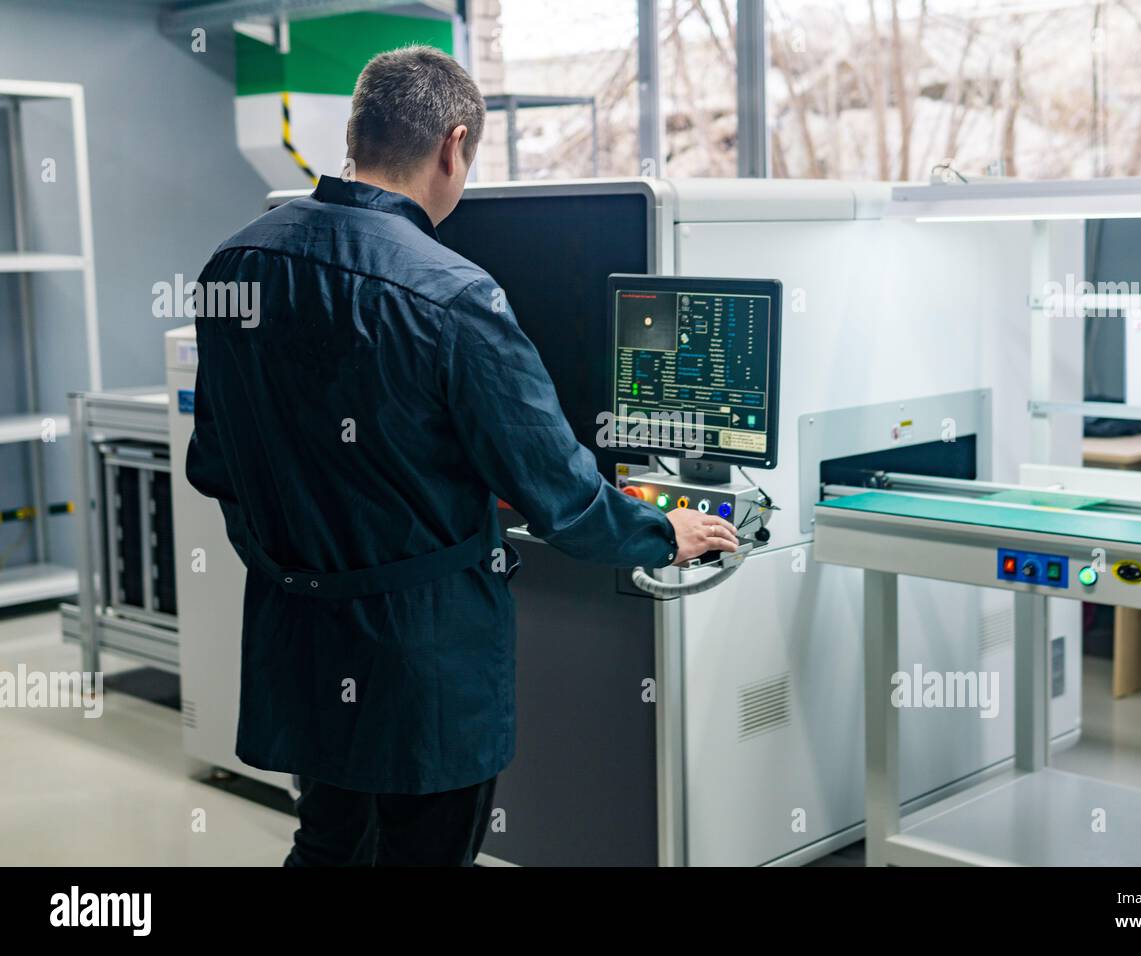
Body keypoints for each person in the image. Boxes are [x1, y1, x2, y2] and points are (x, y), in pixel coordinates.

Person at [185, 45, 738, 866]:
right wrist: (664, 531)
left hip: (300, 634)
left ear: (354, 131)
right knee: (428, 850)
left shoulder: (236, 265)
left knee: (330, 840)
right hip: (422, 657)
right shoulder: (455, 296)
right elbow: (561, 498)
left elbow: (216, 465)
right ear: (454, 145)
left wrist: (311, 552)